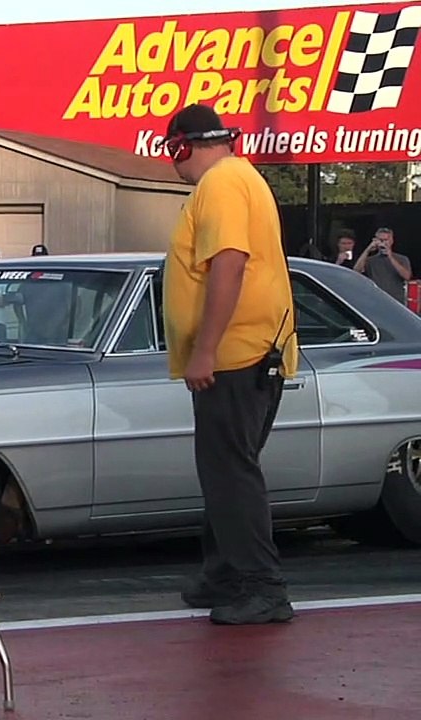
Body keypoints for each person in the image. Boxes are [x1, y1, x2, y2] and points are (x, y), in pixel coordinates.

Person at [157, 103, 298, 626]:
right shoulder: (240, 179)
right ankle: (225, 573)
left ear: (182, 146)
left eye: (173, 151)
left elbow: (229, 264)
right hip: (250, 353)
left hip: (236, 355)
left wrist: (206, 349)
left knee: (231, 473)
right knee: (225, 471)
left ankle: (262, 586)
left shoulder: (220, 184)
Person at [353, 227, 412, 303]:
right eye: (381, 240)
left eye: (386, 240)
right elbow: (356, 271)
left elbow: (407, 276)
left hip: (396, 301)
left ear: (391, 241)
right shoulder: (370, 260)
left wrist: (390, 256)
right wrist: (368, 249)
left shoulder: (402, 258)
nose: (383, 243)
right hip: (376, 299)